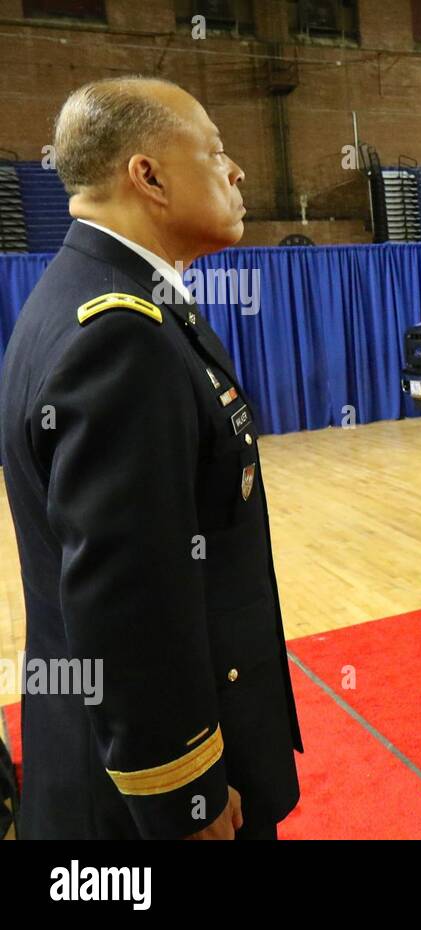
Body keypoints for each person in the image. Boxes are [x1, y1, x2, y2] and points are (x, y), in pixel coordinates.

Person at [0, 77, 301, 839]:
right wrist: (184, 789)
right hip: (141, 796)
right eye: (216, 151)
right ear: (149, 175)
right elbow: (126, 597)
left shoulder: (99, 295)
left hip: (100, 750)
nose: (237, 172)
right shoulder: (120, 331)